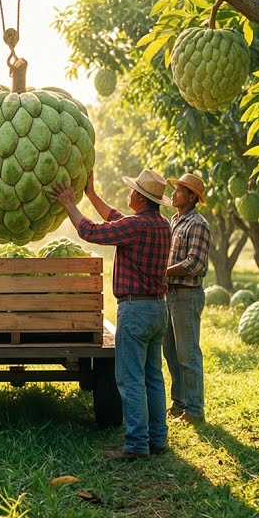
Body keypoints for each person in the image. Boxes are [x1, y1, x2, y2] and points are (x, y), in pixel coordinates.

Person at [50, 169, 172, 460]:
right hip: (158, 308)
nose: (128, 194)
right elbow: (116, 218)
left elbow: (91, 231)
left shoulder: (136, 227)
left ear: (141, 199)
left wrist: (70, 203)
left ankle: (135, 445)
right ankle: (158, 439)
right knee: (152, 377)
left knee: (130, 378)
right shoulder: (162, 225)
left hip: (135, 309)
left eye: (132, 191)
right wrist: (91, 194)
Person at [163, 172, 211, 423]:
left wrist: (164, 272)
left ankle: (194, 410)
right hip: (170, 294)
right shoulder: (175, 221)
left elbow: (195, 263)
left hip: (186, 295)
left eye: (180, 190)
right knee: (170, 351)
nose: (174, 193)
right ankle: (179, 403)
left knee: (188, 354)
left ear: (191, 197)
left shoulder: (198, 224)